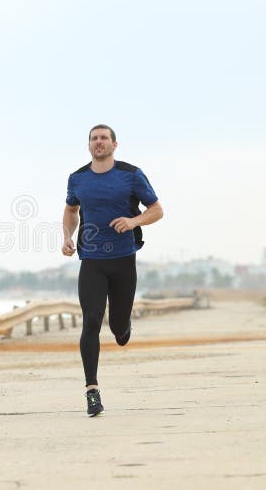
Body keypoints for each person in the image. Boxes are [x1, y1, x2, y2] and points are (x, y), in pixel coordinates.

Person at [62, 124, 163, 417]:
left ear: (114, 145)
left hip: (123, 260)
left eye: (104, 138)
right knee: (91, 321)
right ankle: (92, 391)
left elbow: (157, 209)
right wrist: (67, 237)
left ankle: (123, 327)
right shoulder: (77, 178)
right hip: (91, 260)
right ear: (89, 145)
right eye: (94, 138)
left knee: (118, 329)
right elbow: (70, 211)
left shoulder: (131, 175)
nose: (99, 142)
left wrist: (133, 223)